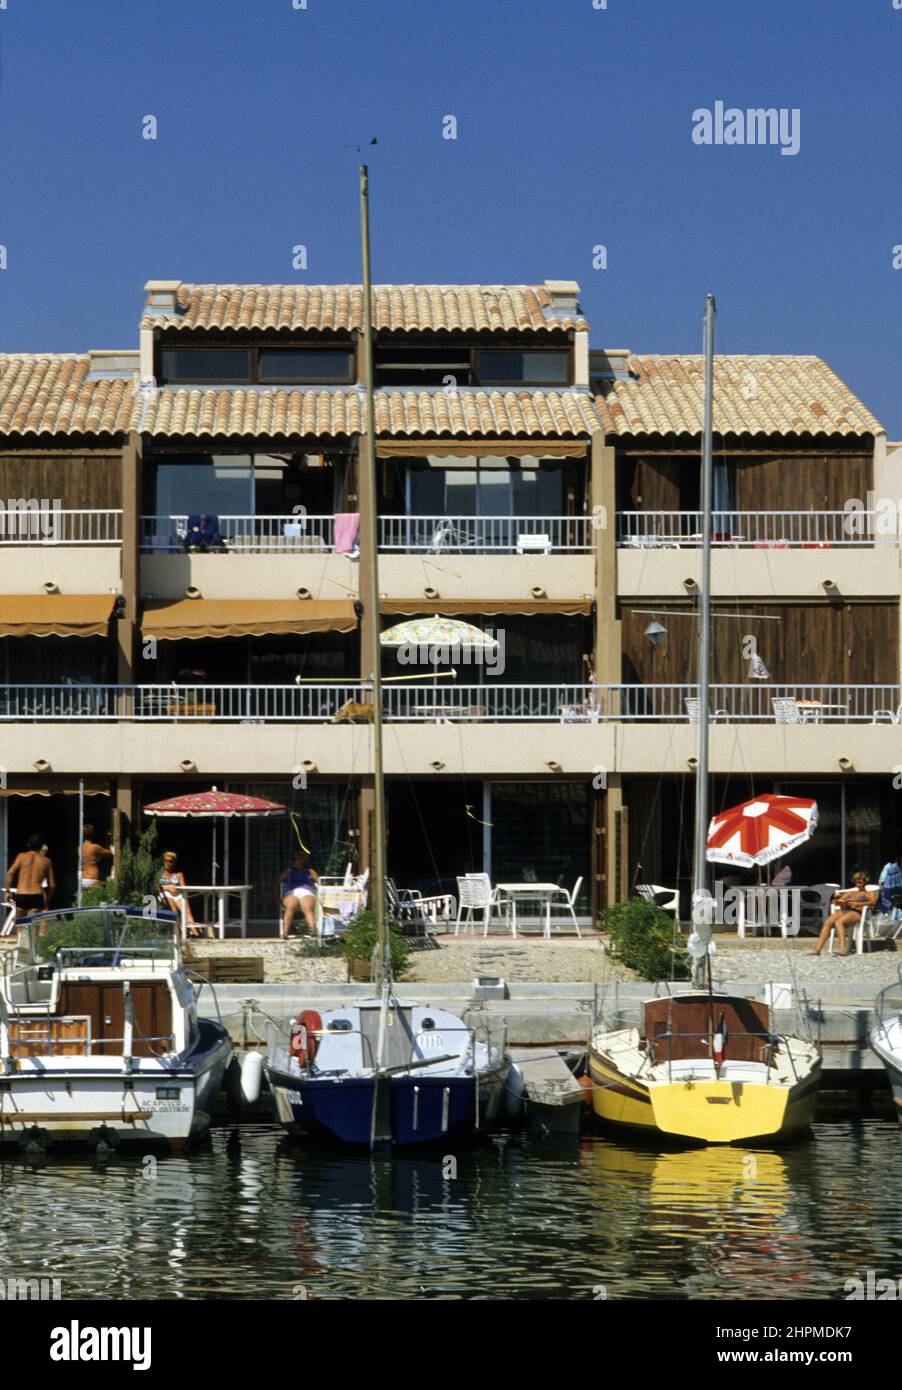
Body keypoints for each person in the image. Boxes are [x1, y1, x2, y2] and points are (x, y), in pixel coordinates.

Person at [811, 870, 876, 957]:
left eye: (860, 881)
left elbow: (873, 902)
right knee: (828, 922)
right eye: (856, 881)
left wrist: (858, 904)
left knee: (839, 922)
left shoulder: (868, 893)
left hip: (857, 912)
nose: (858, 883)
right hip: (846, 910)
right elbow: (837, 901)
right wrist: (839, 900)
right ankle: (817, 949)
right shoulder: (851, 892)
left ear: (865, 881)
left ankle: (842, 949)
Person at [5, 835, 55, 919]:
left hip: (21, 893)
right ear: (42, 846)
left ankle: (21, 932)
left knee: (20, 925)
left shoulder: (21, 856)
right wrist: (47, 901)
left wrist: (7, 891)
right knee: (33, 926)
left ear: (28, 845)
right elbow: (52, 885)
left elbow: (10, 873)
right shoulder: (47, 861)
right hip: (37, 895)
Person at [277, 853, 319, 938]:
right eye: (293, 859)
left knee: (307, 907)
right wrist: (277, 898)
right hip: (291, 892)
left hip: (307, 892)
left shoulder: (310, 871)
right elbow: (277, 883)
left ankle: (313, 931)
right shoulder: (288, 871)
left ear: (302, 861)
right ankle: (285, 932)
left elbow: (320, 882)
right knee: (290, 906)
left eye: (296, 859)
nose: (294, 861)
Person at [158, 851, 199, 936]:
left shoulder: (179, 874)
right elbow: (157, 887)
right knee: (174, 910)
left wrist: (178, 891)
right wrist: (168, 887)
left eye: (170, 861)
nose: (168, 863)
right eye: (166, 860)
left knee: (187, 911)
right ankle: (180, 932)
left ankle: (195, 933)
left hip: (177, 895)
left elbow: (183, 888)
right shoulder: (160, 874)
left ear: (174, 862)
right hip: (165, 894)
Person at [80, 824, 113, 892]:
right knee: (96, 900)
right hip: (93, 878)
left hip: (83, 879)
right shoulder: (95, 847)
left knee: (85, 900)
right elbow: (110, 854)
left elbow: (88, 859)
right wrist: (109, 840)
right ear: (93, 835)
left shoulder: (79, 848)